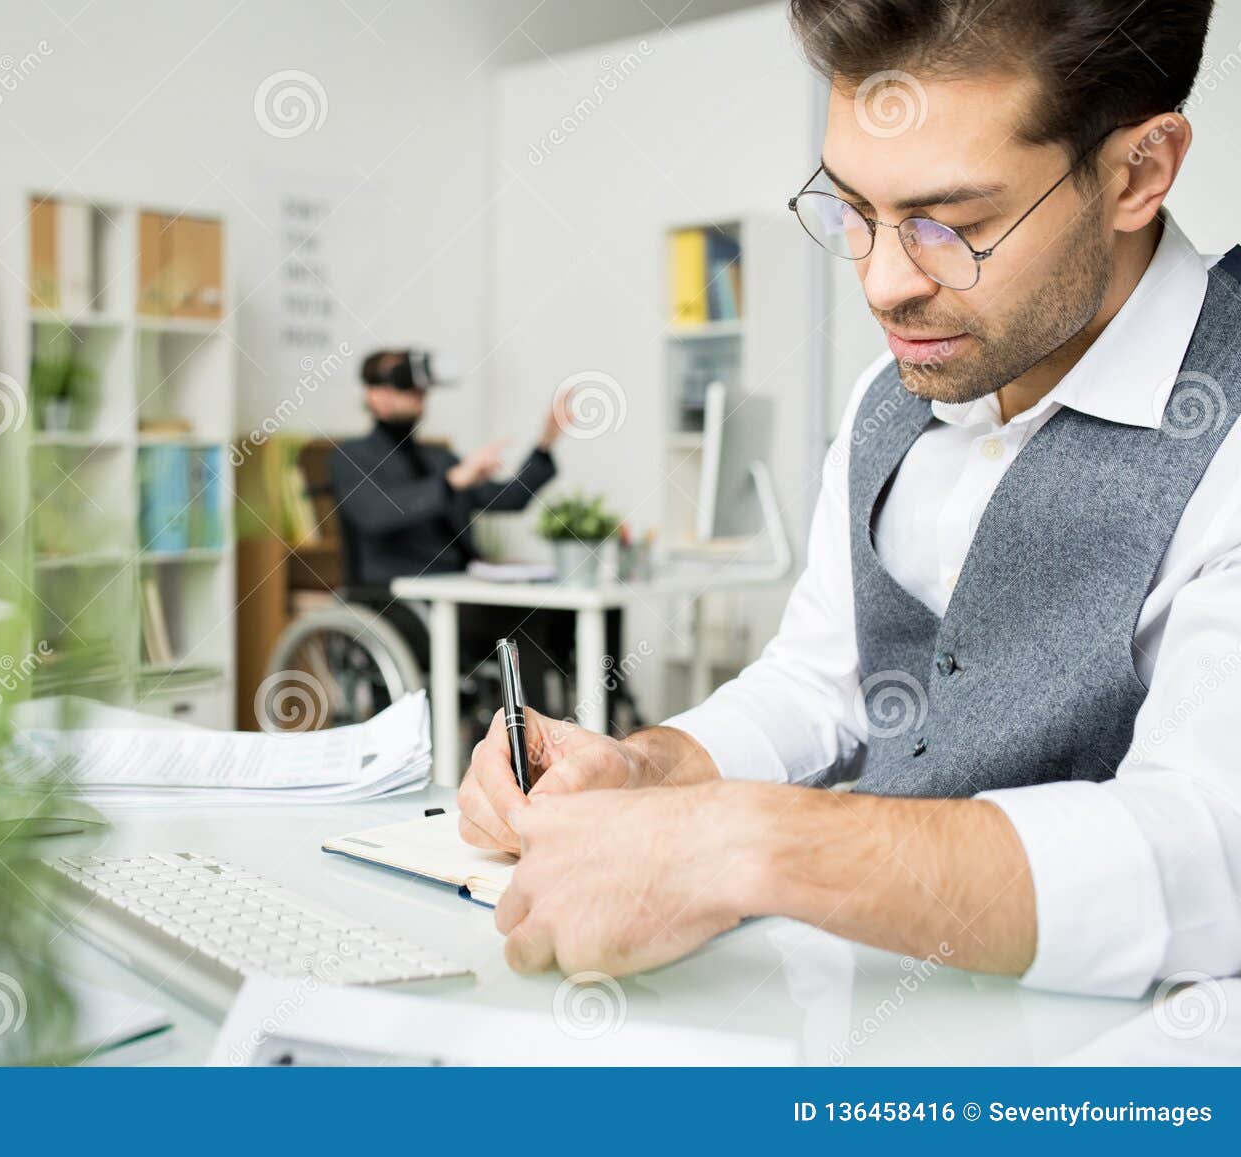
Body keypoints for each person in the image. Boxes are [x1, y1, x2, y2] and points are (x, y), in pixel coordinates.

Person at [460, 0, 1241, 999]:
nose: (881, 285)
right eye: (853, 212)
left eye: (949, 225)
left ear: (1137, 171)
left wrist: (745, 840)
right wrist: (648, 769)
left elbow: (1209, 848)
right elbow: (819, 682)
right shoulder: (895, 394)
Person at [329, 349, 585, 711]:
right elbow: (377, 514)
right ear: (374, 395)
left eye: (421, 388)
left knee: (560, 613)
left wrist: (544, 444)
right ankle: (533, 743)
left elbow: (507, 499)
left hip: (461, 591)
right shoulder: (350, 458)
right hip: (399, 603)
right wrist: (452, 482)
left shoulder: (438, 458)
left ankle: (572, 727)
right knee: (522, 623)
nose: (418, 395)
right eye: (405, 385)